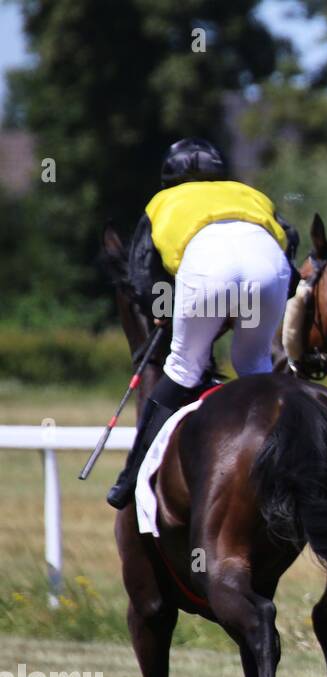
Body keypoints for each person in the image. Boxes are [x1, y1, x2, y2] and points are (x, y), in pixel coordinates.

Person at [106, 137, 297, 509]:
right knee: (255, 366)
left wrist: (163, 307)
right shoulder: (249, 194)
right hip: (267, 267)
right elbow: (289, 237)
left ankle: (131, 477)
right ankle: (287, 465)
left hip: (210, 268)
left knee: (182, 367)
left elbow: (144, 271)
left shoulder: (161, 202)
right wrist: (276, 292)